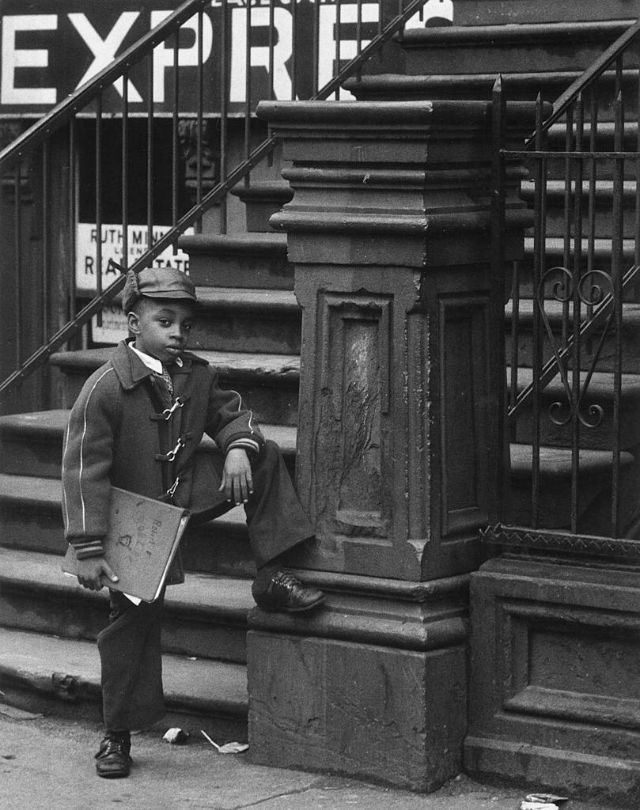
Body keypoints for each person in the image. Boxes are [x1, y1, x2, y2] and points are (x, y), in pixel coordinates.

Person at [61, 266, 324, 779]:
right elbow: (82, 472)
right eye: (165, 321)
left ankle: (272, 575)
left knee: (264, 456)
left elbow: (232, 414)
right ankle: (117, 733)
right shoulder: (104, 388)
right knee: (132, 619)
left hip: (184, 492)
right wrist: (89, 547)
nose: (178, 332)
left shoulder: (195, 374)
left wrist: (237, 448)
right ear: (133, 323)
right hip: (132, 521)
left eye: (185, 324)